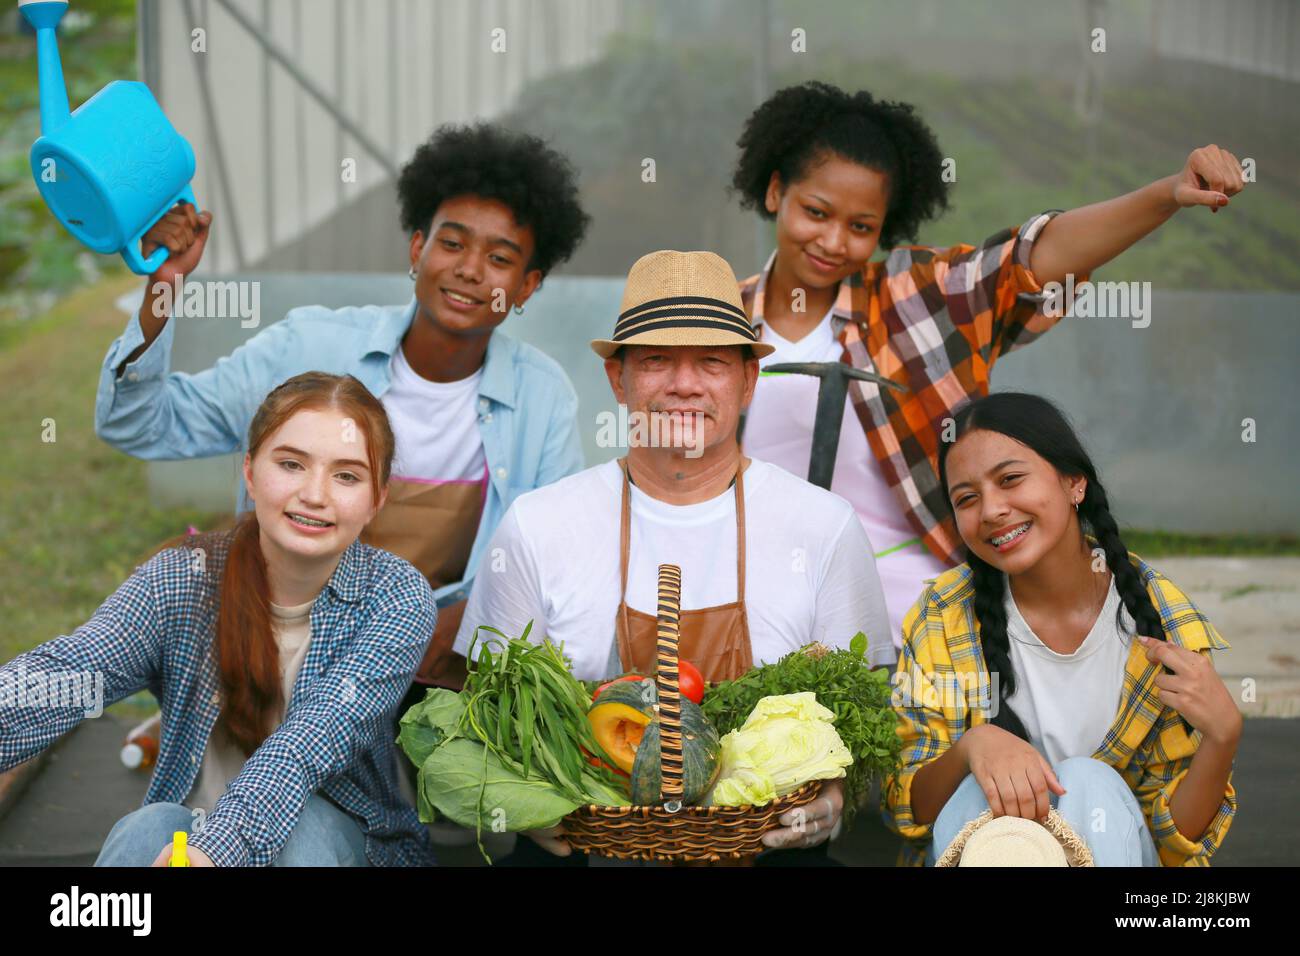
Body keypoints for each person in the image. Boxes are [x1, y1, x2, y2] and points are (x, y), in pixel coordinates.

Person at [731, 80, 1248, 650]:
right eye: (816, 212)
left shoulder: (913, 298)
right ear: (776, 191)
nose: (833, 240)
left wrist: (1166, 194)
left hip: (916, 620)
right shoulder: (717, 321)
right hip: (765, 612)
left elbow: (1031, 262)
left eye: (861, 228)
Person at [94, 122, 591, 700]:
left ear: (527, 287)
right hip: (279, 659)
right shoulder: (307, 346)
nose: (469, 270)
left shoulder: (542, 398)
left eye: (500, 259)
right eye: (451, 244)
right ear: (417, 249)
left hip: (433, 676)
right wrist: (166, 286)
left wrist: (465, 626)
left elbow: (555, 556)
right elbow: (139, 421)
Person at [455, 249, 893, 865]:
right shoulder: (539, 524)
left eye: (712, 362)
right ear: (619, 379)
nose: (684, 384)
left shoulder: (822, 525)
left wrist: (837, 798)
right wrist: (524, 806)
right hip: (586, 854)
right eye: (657, 360)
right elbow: (488, 708)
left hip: (769, 855)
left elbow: (868, 716)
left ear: (747, 382)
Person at [1, 373, 437, 866]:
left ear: (377, 498)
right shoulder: (181, 579)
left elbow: (310, 742)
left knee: (304, 831)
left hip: (337, 842)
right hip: (191, 832)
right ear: (250, 473)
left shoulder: (396, 596)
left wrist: (220, 847)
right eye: (291, 464)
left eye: (346, 476)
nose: (315, 494)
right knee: (150, 826)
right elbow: (69, 674)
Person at [883, 392, 1239, 867]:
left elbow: (1175, 841)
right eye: (966, 498)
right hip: (987, 853)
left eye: (1010, 479)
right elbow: (909, 810)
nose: (991, 510)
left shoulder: (1164, 624)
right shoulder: (941, 617)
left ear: (1074, 482)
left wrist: (1224, 737)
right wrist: (973, 747)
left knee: (1089, 782)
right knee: (976, 792)